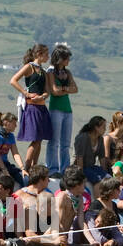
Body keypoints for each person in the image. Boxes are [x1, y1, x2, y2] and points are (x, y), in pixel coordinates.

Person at [10, 44, 50, 172]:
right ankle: (27, 167)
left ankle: (34, 166)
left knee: (39, 139)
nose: (48, 56)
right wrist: (26, 93)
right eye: (46, 54)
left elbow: (47, 91)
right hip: (32, 107)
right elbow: (13, 80)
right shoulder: (29, 67)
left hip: (41, 107)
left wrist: (42, 96)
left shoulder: (43, 72)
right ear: (39, 54)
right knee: (35, 139)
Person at [46, 44, 79, 175]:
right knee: (54, 141)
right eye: (66, 58)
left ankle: (65, 168)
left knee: (65, 143)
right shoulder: (50, 72)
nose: (68, 61)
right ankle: (52, 168)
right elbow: (54, 91)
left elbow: (75, 89)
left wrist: (63, 90)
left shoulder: (67, 73)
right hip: (55, 109)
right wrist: (67, 89)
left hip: (67, 110)